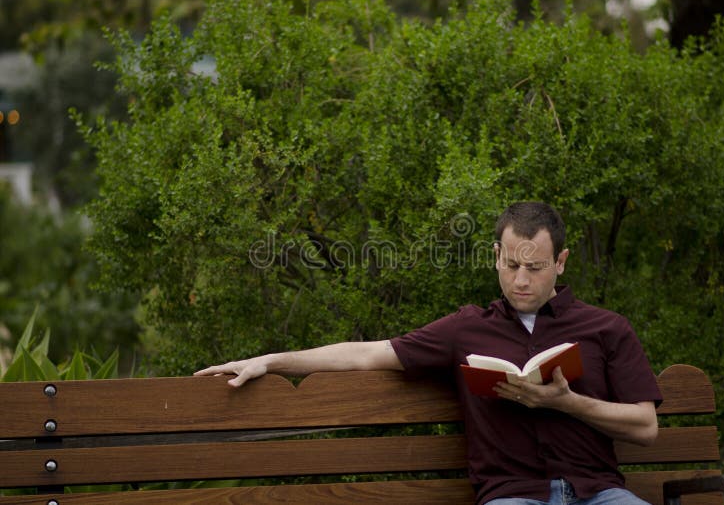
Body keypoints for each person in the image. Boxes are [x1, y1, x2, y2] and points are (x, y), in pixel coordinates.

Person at [195, 201, 662, 505]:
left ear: (559, 263)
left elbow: (646, 427)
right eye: (511, 265)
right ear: (496, 255)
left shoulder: (606, 328)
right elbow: (365, 355)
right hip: (513, 496)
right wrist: (271, 361)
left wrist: (568, 403)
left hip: (600, 494)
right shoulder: (466, 329)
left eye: (536, 268)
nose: (521, 280)